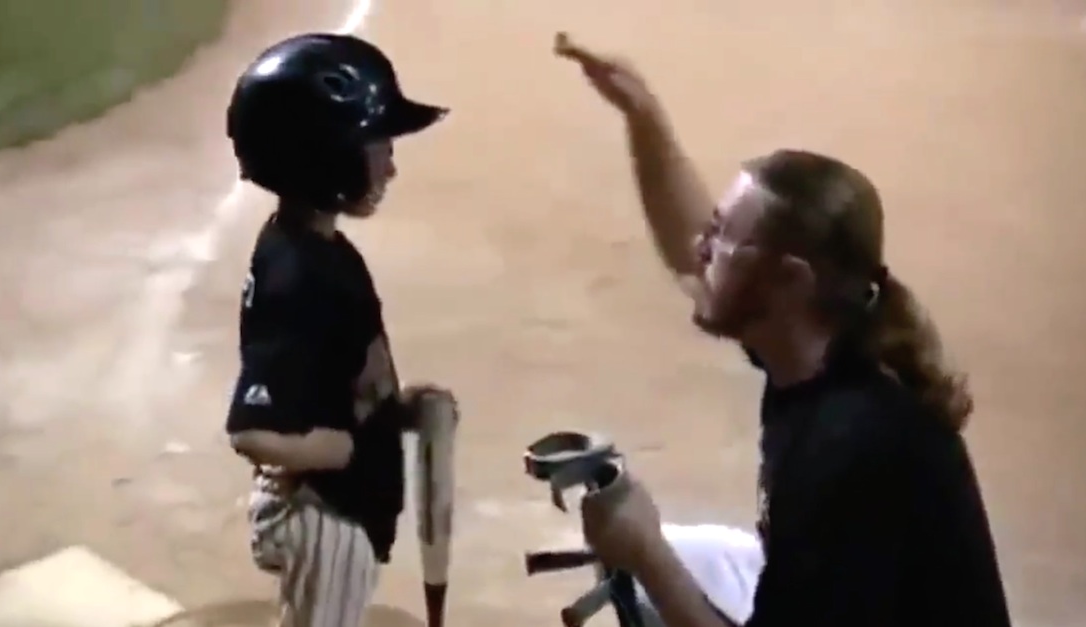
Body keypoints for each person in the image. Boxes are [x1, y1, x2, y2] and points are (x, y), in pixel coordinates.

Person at [553, 32, 1012, 627]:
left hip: (851, 576)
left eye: (722, 239)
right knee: (662, 570)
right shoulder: (819, 340)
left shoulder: (850, 451)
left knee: (653, 569)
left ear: (789, 281)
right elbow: (689, 241)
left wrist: (646, 554)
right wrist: (644, 115)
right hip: (840, 586)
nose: (701, 251)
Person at [222, 33, 450, 627]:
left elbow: (333, 382)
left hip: (339, 509)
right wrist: (338, 448)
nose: (391, 164)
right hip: (324, 516)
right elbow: (253, 431)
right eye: (377, 145)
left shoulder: (319, 252)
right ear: (326, 157)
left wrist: (397, 410)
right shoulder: (295, 276)